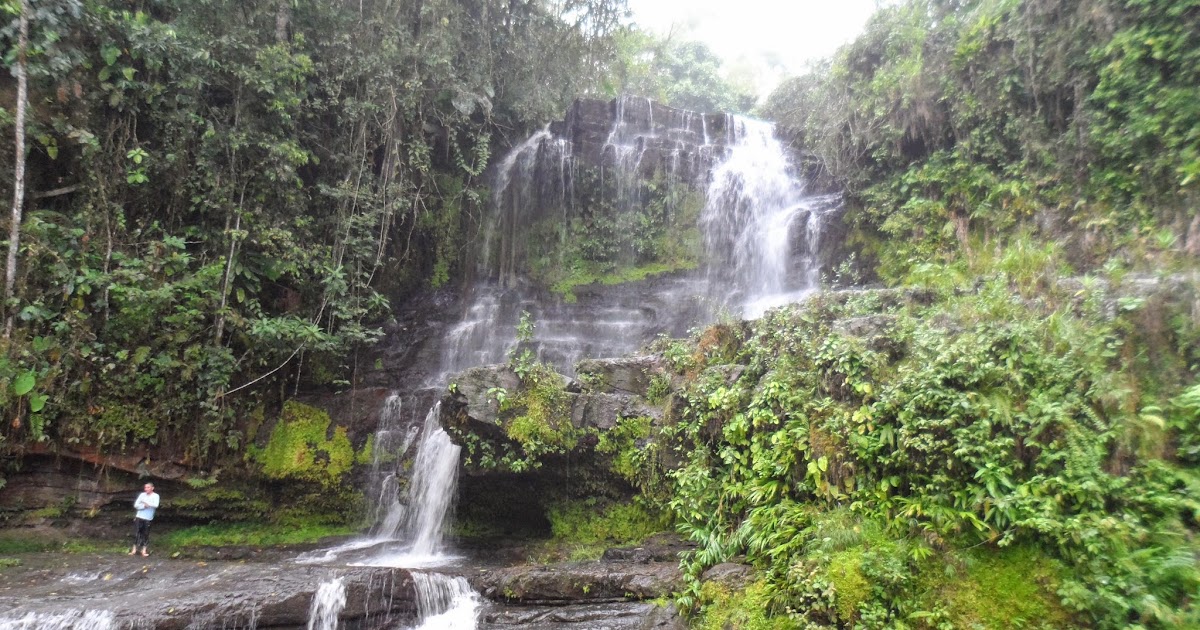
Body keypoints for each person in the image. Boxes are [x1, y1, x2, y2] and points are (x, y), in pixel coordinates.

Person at [130, 482, 159, 557]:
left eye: (148, 487)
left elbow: (155, 505)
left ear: (152, 488)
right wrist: (144, 506)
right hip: (139, 516)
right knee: (137, 533)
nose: (146, 489)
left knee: (145, 534)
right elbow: (136, 505)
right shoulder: (142, 495)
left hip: (148, 518)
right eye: (145, 487)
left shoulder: (156, 496)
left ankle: (144, 550)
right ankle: (134, 549)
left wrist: (145, 502)